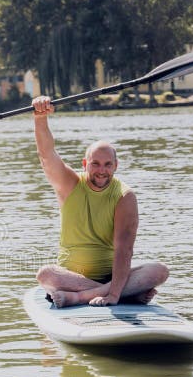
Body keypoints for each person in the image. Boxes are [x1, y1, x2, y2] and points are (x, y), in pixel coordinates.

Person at [32, 95, 169, 307]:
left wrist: (112, 295)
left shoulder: (124, 196)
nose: (101, 170)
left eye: (107, 164)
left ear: (116, 165)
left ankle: (80, 297)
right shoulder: (69, 184)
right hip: (69, 277)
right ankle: (126, 294)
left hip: (110, 277)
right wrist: (40, 118)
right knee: (45, 274)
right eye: (95, 164)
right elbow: (46, 155)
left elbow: (124, 249)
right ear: (85, 164)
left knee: (159, 271)